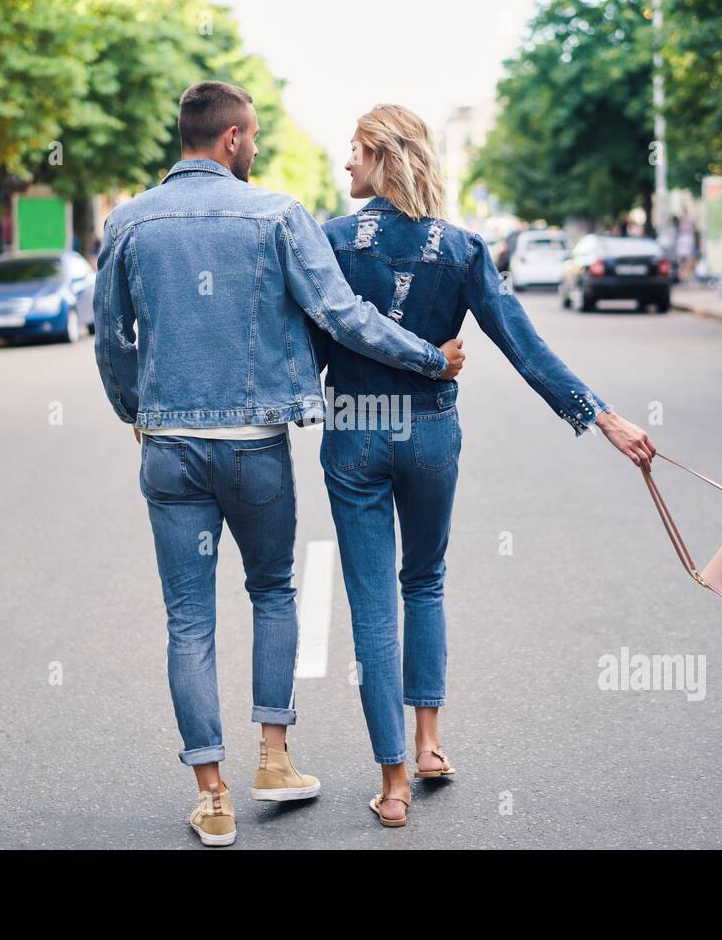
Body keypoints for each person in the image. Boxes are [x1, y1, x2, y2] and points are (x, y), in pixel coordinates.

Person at [90, 82, 466, 847]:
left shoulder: (126, 222)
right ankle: (273, 757)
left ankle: (212, 794)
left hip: (169, 451)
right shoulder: (276, 215)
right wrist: (429, 357)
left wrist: (138, 411)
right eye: (253, 135)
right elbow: (342, 317)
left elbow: (111, 338)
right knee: (272, 592)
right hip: (255, 445)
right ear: (231, 140)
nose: (256, 146)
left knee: (188, 619)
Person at [313, 104, 656, 827]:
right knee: (426, 580)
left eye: (353, 151)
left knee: (374, 608)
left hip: (354, 433)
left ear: (379, 154)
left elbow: (307, 343)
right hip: (431, 431)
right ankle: (431, 742)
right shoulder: (461, 248)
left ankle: (395, 783)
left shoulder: (332, 242)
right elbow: (522, 344)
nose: (345, 164)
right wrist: (603, 416)